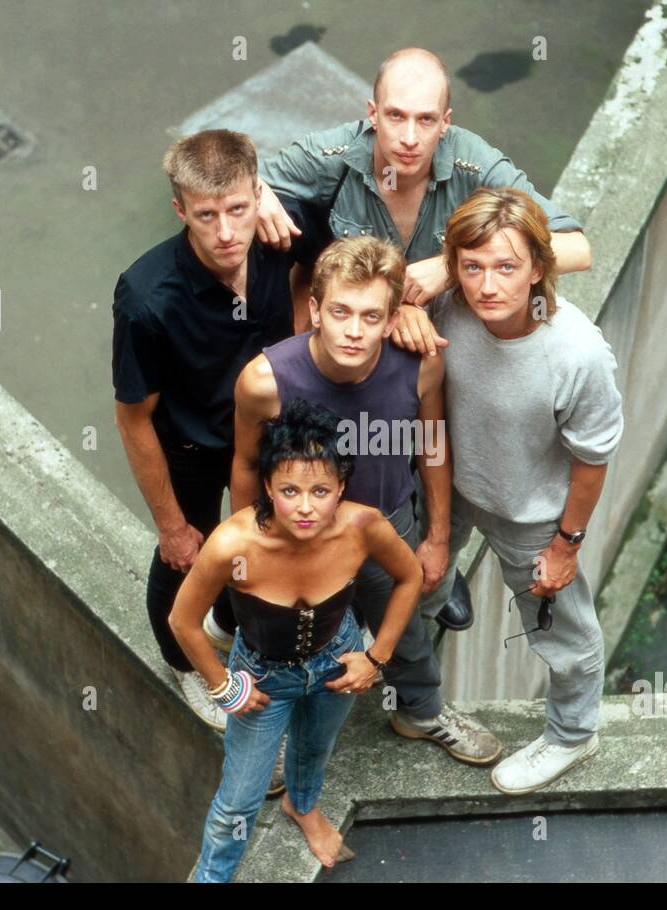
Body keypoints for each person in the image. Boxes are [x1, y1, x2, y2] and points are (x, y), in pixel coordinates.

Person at [253, 46, 595, 629]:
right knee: (356, 453)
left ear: (447, 122)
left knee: (436, 454)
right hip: (360, 329)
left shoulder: (472, 166)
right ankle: (341, 576)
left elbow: (576, 247)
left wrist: (452, 262)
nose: (408, 136)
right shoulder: (339, 152)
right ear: (372, 113)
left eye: (425, 120)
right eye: (395, 117)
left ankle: (435, 568)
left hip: (446, 337)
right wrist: (260, 196)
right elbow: (247, 178)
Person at [232, 235, 502, 765]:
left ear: (392, 316)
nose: (354, 331)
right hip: (298, 535)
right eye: (340, 312)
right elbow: (244, 464)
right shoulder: (265, 382)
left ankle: (421, 712)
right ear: (314, 309)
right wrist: (251, 544)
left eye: (371, 316)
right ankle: (274, 731)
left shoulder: (420, 366)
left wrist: (437, 536)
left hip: (388, 525)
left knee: (407, 633)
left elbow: (432, 450)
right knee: (283, 638)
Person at [112, 129, 327, 730]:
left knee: (263, 546)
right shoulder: (146, 296)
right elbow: (132, 418)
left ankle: (232, 628)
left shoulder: (284, 229)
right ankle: (184, 664)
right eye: (207, 216)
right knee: (184, 558)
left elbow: (326, 259)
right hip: (191, 449)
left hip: (267, 435)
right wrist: (170, 523)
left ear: (260, 194)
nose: (227, 232)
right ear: (181, 211)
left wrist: (300, 328)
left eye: (238, 208)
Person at [418, 186, 626, 794]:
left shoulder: (578, 355)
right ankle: (410, 697)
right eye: (473, 266)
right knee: (418, 584)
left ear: (539, 266)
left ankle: (573, 735)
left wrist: (565, 544)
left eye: (507, 267)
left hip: (532, 513)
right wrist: (435, 528)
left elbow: (592, 461)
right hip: (452, 488)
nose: (488, 285)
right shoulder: (449, 308)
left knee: (564, 635)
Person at [174, 398, 422, 882]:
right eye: (289, 490)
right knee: (239, 799)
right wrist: (224, 686)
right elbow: (183, 620)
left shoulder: (361, 525)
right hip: (262, 676)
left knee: (314, 751)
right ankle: (212, 876)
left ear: (341, 487)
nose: (306, 507)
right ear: (267, 486)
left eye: (321, 490)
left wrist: (376, 657)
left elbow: (409, 577)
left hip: (336, 660)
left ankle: (302, 806)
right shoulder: (232, 544)